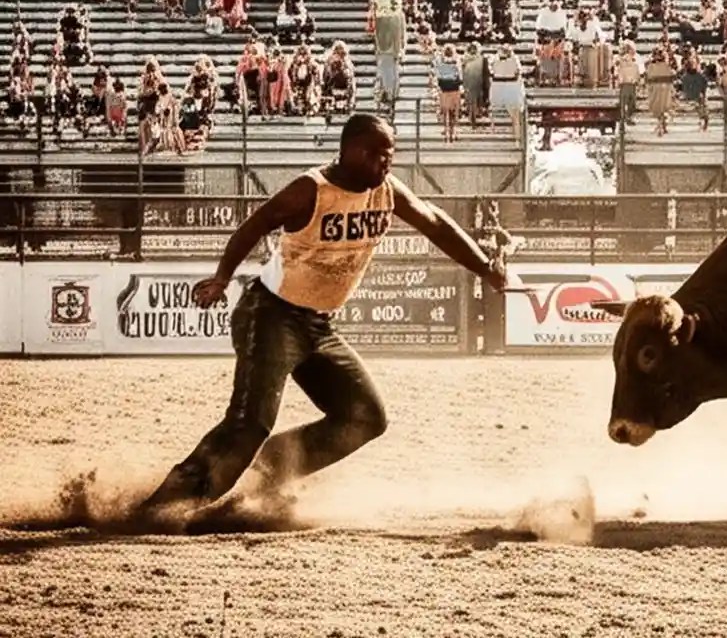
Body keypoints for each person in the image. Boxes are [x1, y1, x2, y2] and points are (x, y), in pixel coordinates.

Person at [134, 113, 519, 524]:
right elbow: (255, 224)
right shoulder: (311, 189)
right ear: (351, 151)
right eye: (376, 154)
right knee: (249, 424)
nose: (385, 163)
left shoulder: (387, 191)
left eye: (390, 154)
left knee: (365, 417)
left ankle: (262, 479)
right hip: (270, 314)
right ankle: (161, 508)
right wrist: (222, 277)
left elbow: (434, 222)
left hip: (317, 324)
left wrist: (485, 268)